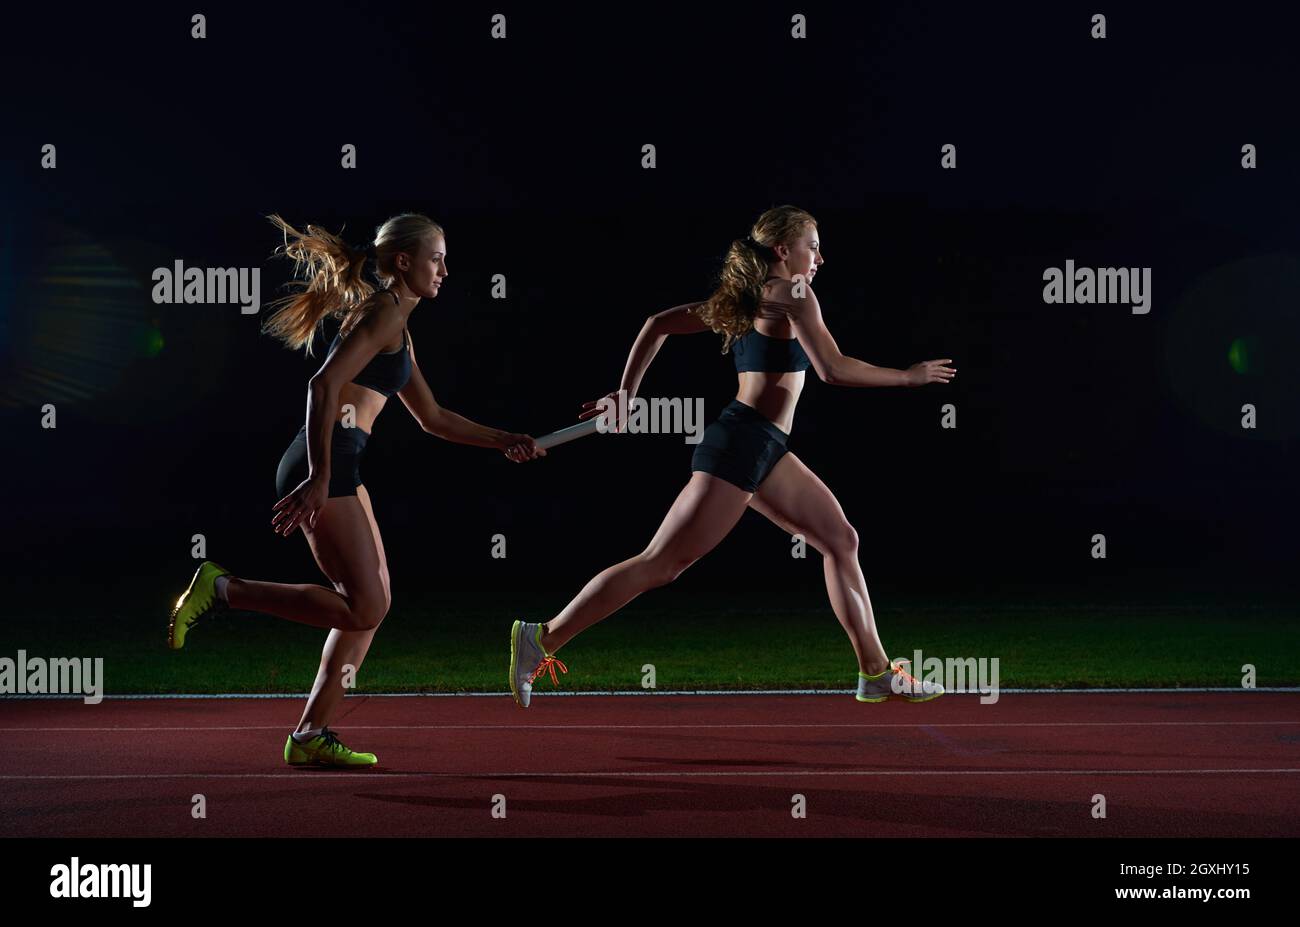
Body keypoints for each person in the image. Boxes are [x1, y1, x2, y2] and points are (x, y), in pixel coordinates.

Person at [510, 205, 954, 708]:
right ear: (783, 250)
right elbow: (831, 369)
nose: (820, 258)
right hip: (742, 445)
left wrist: (627, 394)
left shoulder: (746, 298)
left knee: (840, 539)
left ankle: (874, 670)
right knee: (661, 564)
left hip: (763, 447)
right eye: (812, 246)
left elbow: (657, 324)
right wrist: (908, 377)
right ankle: (541, 638)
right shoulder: (792, 293)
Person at [168, 213, 544, 766]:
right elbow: (322, 386)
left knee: (371, 606)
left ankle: (309, 736)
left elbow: (433, 417)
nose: (445, 269)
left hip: (340, 463)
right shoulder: (385, 312)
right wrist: (319, 478)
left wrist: (503, 439)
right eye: (436, 258)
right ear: (403, 262)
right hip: (325, 463)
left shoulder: (399, 323)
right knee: (364, 606)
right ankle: (224, 590)